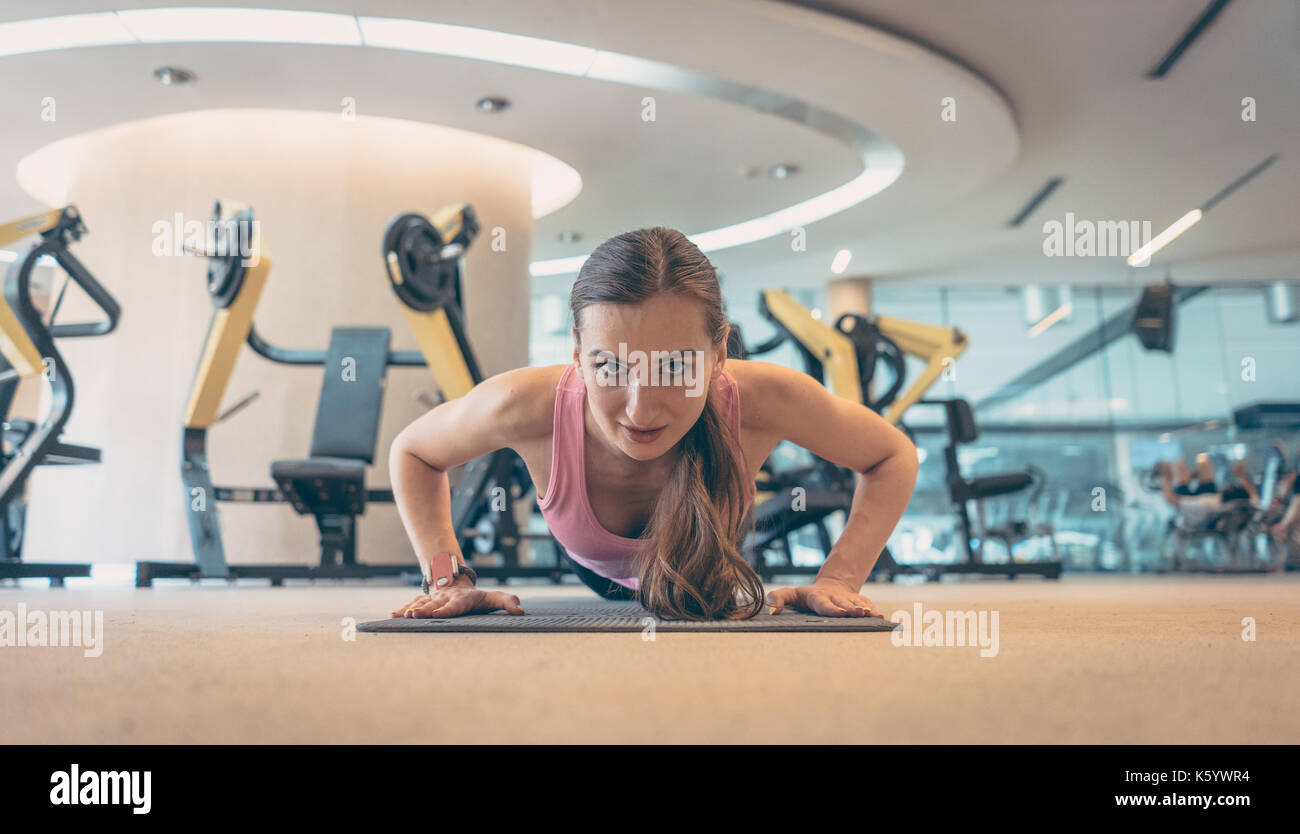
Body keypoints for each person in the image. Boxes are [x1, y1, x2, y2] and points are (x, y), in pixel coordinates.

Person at [388, 227, 919, 621]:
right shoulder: (523, 403)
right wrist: (446, 579)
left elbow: (890, 455)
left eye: (675, 367)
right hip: (592, 571)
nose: (641, 411)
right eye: (610, 366)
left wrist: (840, 579)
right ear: (577, 353)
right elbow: (414, 453)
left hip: (704, 567)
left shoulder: (767, 398)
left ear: (718, 352)